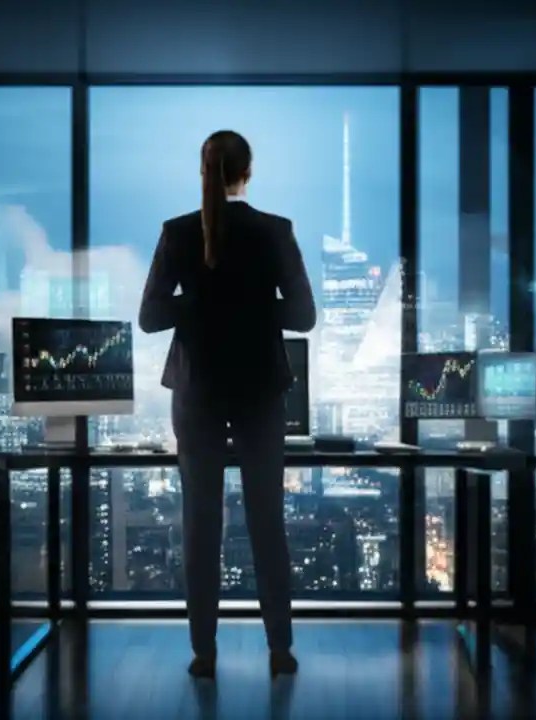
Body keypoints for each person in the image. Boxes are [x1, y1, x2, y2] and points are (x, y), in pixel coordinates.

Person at [138, 130, 316, 680]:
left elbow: (149, 318)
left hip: (198, 393)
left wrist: (198, 304)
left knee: (200, 524)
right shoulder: (275, 232)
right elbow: (304, 316)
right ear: (249, 172)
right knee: (268, 522)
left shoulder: (176, 234)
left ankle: (203, 654)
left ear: (203, 172)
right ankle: (280, 650)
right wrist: (257, 310)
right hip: (261, 390)